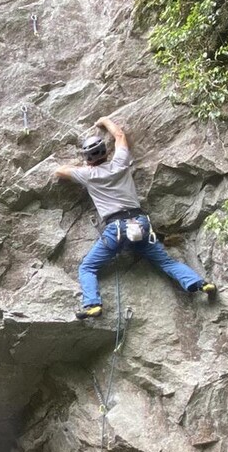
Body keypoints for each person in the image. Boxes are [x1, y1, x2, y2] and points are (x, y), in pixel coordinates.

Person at [55, 116, 216, 319]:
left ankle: (93, 304)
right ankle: (200, 283)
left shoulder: (88, 175)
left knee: (88, 267)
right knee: (166, 262)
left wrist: (84, 167)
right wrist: (105, 121)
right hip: (140, 224)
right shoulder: (120, 163)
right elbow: (119, 135)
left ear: (88, 158)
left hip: (116, 229)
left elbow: (59, 171)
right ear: (106, 152)